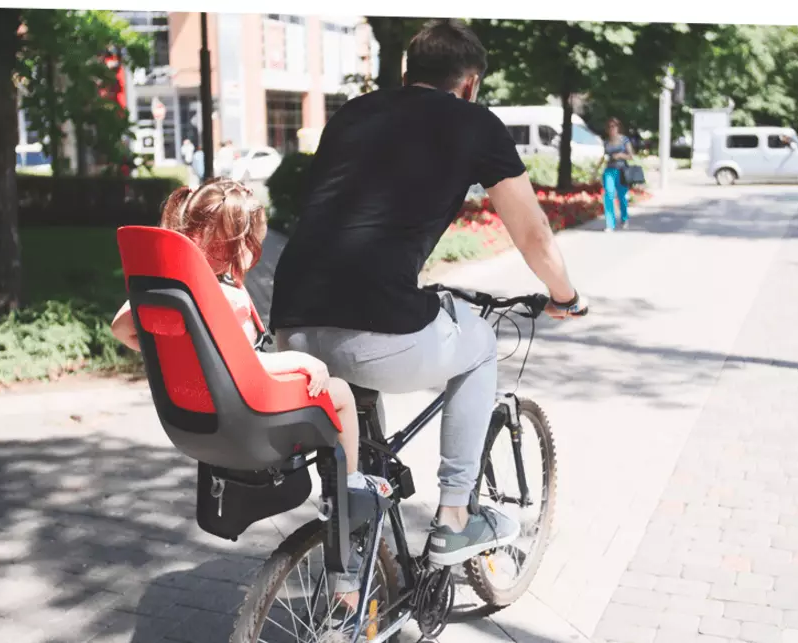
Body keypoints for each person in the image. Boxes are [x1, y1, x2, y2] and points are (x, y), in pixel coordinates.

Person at [269, 19, 587, 575]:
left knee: (363, 420)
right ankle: (456, 518)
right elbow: (533, 233)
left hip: (291, 326)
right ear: (469, 83)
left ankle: (355, 536)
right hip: (373, 328)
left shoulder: (354, 113)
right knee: (481, 343)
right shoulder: (474, 122)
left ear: (407, 72)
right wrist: (566, 295)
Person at [109, 180, 390, 608]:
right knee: (342, 395)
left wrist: (167, 351)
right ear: (237, 242)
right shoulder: (227, 297)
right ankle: (351, 487)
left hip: (196, 418)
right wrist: (305, 364)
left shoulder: (174, 288)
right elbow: (244, 364)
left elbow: (121, 326)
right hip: (249, 413)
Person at [595, 117, 635, 232]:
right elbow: (604, 157)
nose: (612, 129)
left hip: (622, 171)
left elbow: (631, 156)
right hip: (609, 171)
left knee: (622, 197)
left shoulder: (624, 140)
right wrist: (596, 170)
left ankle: (624, 218)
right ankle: (610, 224)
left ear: (618, 127)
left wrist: (620, 156)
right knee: (609, 195)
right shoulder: (606, 142)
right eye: (610, 127)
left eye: (614, 126)